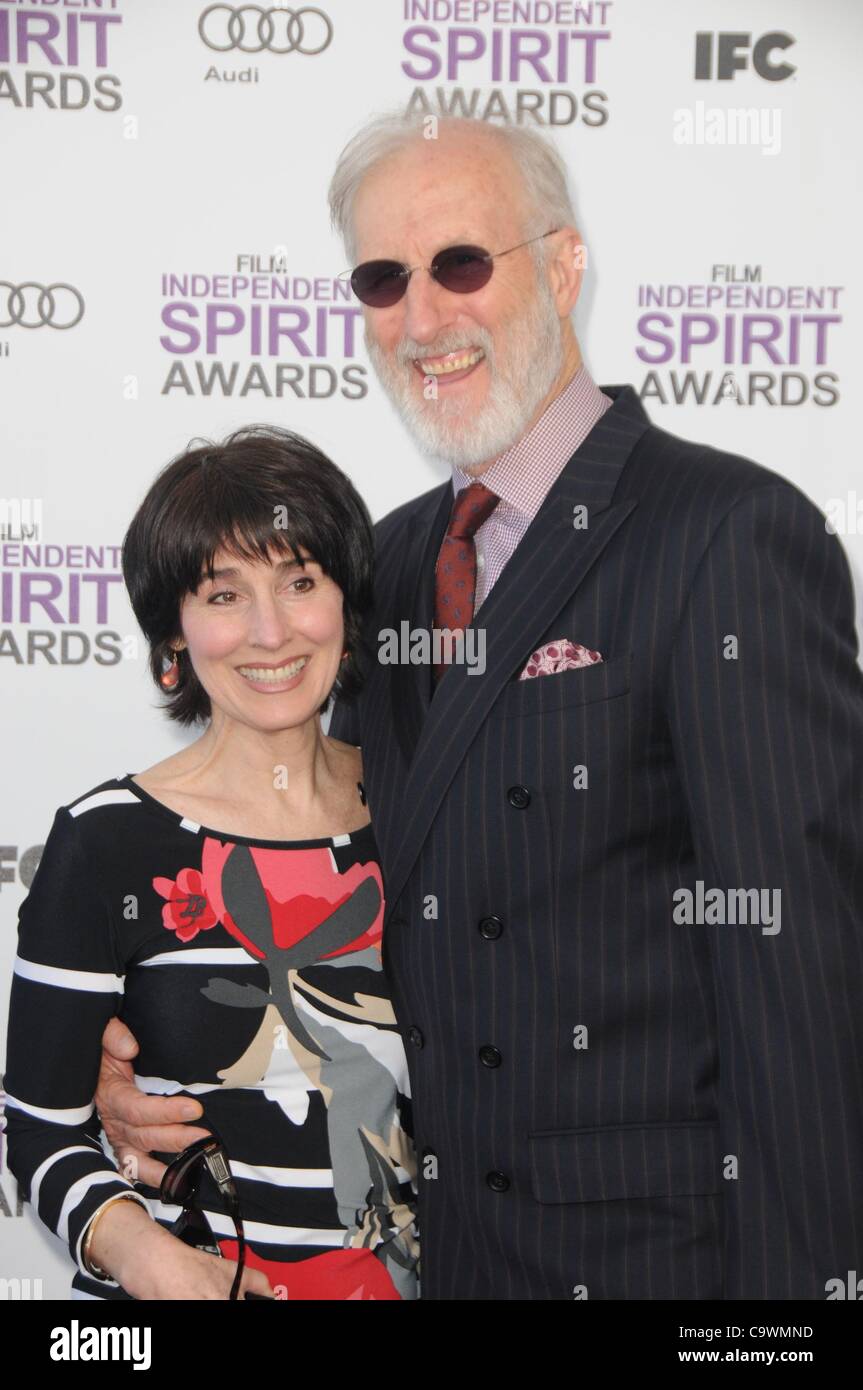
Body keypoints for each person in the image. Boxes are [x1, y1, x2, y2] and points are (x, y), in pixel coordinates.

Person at [95, 111, 863, 1300]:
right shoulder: (380, 570)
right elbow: (323, 887)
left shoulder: (724, 535)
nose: (422, 315)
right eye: (382, 278)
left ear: (562, 266)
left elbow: (802, 978)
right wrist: (139, 1054)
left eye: (460, 262)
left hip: (659, 1265)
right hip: (427, 1256)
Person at [4, 425, 418, 1300]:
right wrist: (148, 1260)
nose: (269, 632)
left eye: (300, 582)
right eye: (223, 595)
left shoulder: (428, 815)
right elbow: (39, 1128)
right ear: (174, 636)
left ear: (346, 609)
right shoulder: (105, 839)